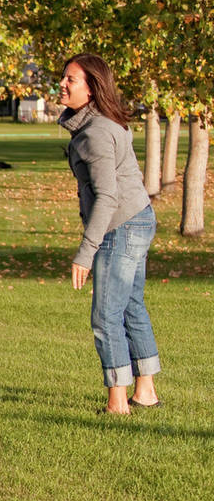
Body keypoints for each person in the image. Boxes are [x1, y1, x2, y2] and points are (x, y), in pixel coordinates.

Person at [58, 53, 161, 414]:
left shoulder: (97, 133)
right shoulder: (99, 124)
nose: (63, 84)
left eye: (71, 79)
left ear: (92, 88)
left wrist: (86, 252)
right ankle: (144, 390)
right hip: (139, 218)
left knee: (105, 315)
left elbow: (107, 196)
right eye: (64, 77)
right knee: (131, 305)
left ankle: (118, 402)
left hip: (122, 225)